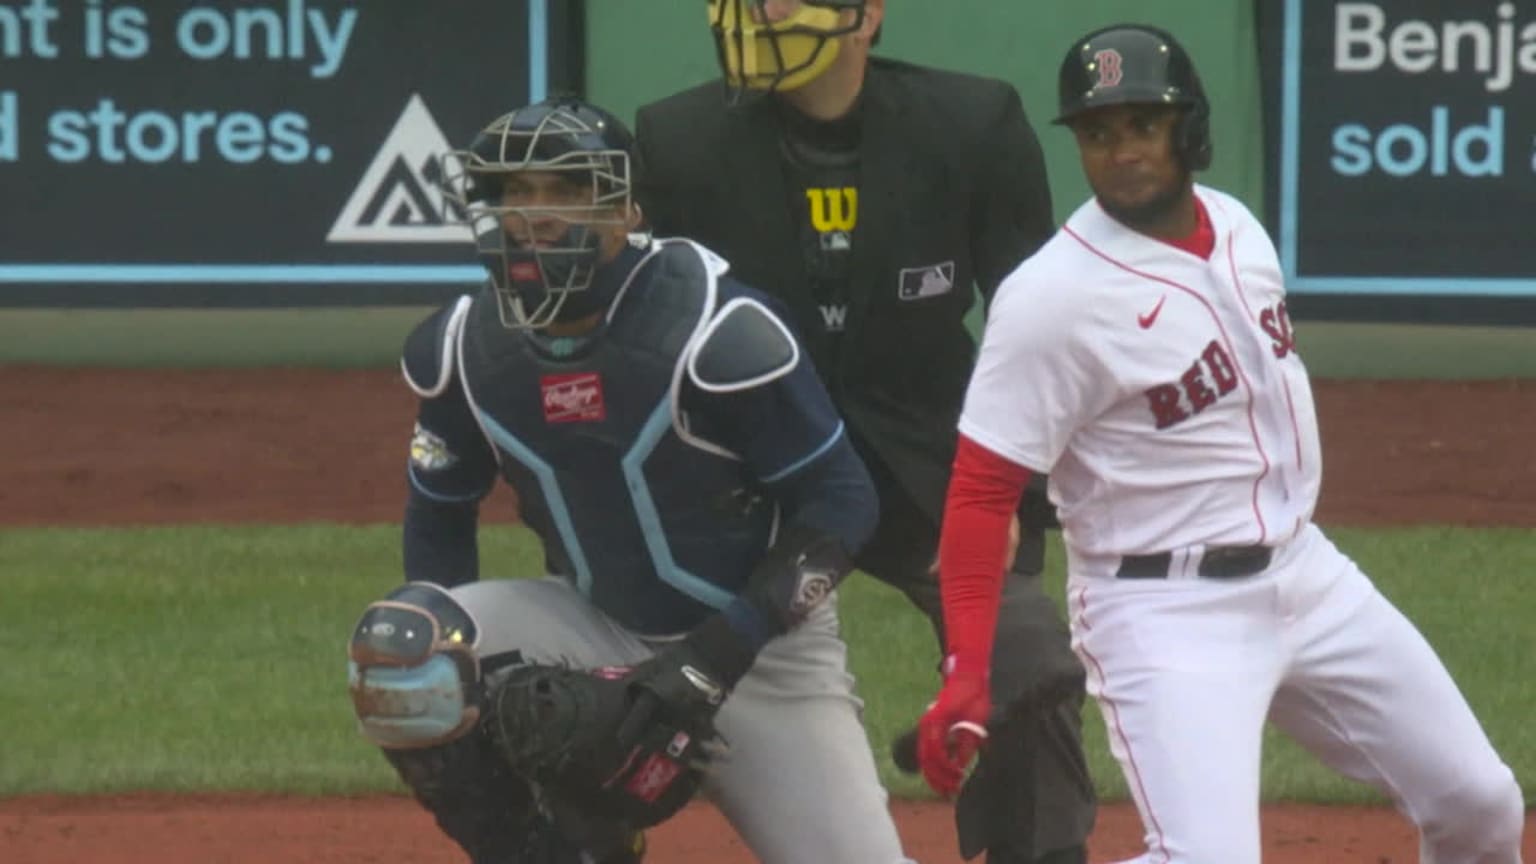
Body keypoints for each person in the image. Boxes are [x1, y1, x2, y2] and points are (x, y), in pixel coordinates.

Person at [916, 23, 1527, 864]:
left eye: (1142, 123)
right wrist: (967, 669)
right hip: (1165, 612)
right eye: (1098, 131)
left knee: (1482, 805)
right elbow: (981, 491)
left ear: (1190, 127)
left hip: (1307, 576)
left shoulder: (1237, 227)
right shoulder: (1050, 298)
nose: (1120, 148)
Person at [345, 96, 917, 864]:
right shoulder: (462, 350)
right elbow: (441, 518)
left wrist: (712, 657)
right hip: (592, 626)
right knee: (406, 644)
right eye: (517, 192)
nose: (535, 215)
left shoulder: (719, 334)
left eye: (565, 190)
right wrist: (461, 685)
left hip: (760, 654)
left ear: (625, 210)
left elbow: (843, 503)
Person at [633, 3, 1096, 862]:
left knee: (1026, 657)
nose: (764, 9)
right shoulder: (678, 141)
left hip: (927, 468)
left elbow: (1037, 332)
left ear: (867, 13)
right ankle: (584, 840)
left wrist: (1016, 502)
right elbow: (645, 344)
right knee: (616, 662)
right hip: (754, 472)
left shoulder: (972, 124)